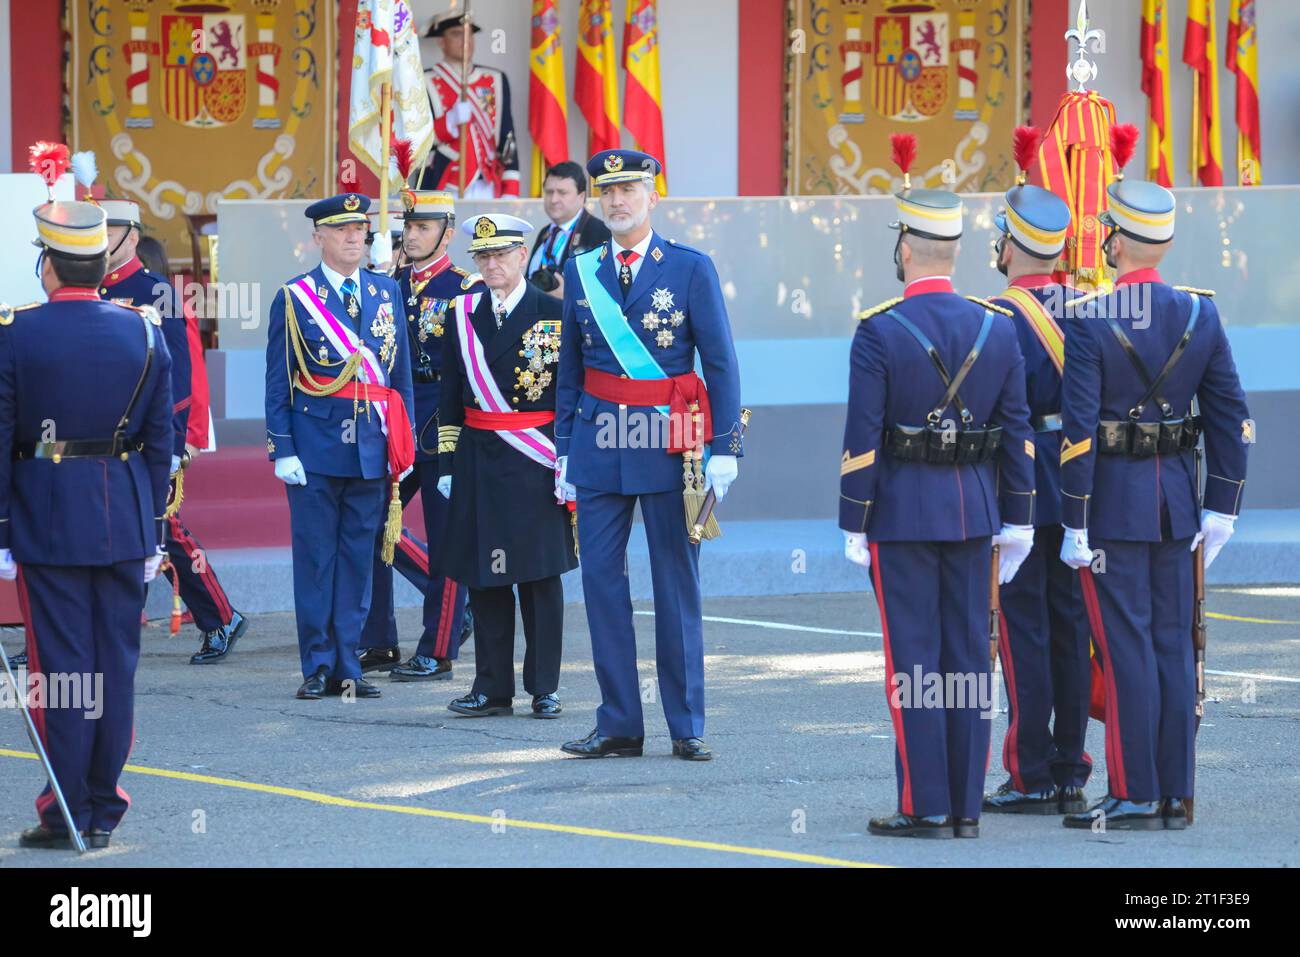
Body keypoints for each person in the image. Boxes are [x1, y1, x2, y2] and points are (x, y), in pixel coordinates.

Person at [839, 134, 1036, 838]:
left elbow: (862, 439)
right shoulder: (998, 325)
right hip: (976, 512)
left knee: (913, 661)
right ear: (951, 251)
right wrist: (1019, 520)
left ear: (905, 249)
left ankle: (924, 803)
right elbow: (1017, 435)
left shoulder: (879, 331)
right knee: (967, 656)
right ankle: (964, 804)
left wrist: (851, 522)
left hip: (899, 515)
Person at [1058, 170, 1250, 831]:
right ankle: (1175, 792)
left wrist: (1074, 516)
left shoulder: (1088, 320)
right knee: (1173, 642)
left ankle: (1134, 791)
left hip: (1112, 505)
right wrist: (1222, 505)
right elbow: (1230, 414)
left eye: (1107, 231)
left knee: (1126, 647)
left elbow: (1079, 430)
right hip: (1177, 503)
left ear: (1117, 239)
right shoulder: (1201, 312)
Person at [554, 149, 744, 761]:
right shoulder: (581, 271)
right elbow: (570, 372)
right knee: (601, 585)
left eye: (630, 189)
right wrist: (563, 451)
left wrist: (725, 447)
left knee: (675, 585)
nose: (617, 201)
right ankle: (618, 724)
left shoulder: (690, 268)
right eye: (607, 192)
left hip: (672, 447)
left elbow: (719, 362)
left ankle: (687, 724)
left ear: (653, 195)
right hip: (600, 445)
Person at [0, 195, 173, 849]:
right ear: (102, 264)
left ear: (49, 266)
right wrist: (154, 529)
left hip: (48, 519)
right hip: (126, 516)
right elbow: (161, 440)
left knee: (64, 670)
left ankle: (66, 808)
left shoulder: (15, 331)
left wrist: (0, 527)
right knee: (115, 666)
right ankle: (104, 802)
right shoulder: (143, 329)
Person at [264, 193, 415, 700]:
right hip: (314, 447)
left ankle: (350, 662)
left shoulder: (386, 291)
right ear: (318, 237)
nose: (355, 237)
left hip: (371, 446)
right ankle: (318, 664)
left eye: (360, 228)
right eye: (343, 229)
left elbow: (400, 377)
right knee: (316, 559)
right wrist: (281, 447)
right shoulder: (295, 297)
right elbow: (278, 379)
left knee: (358, 558)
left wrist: (404, 438)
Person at [981, 129, 1092, 816]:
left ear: (1012, 247)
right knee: (1072, 623)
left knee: (1023, 629)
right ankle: (1073, 763)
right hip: (1079, 484)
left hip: (1019, 485)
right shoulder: (1087, 311)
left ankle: (1029, 772)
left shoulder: (996, 316)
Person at [438, 213, 577, 717]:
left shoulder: (555, 313)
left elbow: (570, 394)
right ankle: (492, 688)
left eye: (502, 254)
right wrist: (449, 461)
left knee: (540, 577)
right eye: (484, 256)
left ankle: (544, 688)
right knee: (486, 577)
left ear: (524, 256)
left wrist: (568, 457)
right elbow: (451, 390)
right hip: (479, 456)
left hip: (535, 457)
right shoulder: (461, 313)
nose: (493, 264)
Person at [100, 203, 246, 665]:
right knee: (138, 527)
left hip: (148, 431)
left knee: (158, 527)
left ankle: (220, 617)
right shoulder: (93, 288)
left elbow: (179, 371)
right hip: (103, 432)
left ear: (131, 236)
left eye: (111, 230)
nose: (102, 239)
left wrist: (180, 438)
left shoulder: (155, 290)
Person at [359, 189, 481, 681]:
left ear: (447, 234)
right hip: (394, 417)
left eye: (423, 227)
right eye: (408, 226)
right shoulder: (387, 283)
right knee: (371, 523)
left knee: (447, 537)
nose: (410, 235)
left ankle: (439, 645)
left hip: (442, 421)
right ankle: (378, 639)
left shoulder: (463, 288)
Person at [418, 9, 519, 198]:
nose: (465, 40)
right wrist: (449, 122)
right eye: (456, 34)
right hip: (444, 182)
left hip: (488, 182)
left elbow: (507, 136)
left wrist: (510, 189)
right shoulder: (424, 81)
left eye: (469, 33)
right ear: (441, 41)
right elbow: (417, 141)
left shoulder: (495, 79)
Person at [526, 161, 612, 299]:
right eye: (549, 192)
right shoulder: (545, 233)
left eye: (562, 193)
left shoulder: (601, 232)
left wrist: (572, 297)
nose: (553, 199)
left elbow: (609, 291)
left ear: (581, 197)